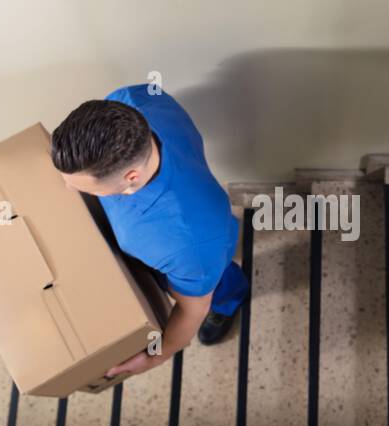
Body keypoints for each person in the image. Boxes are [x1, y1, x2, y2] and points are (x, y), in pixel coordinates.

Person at [51, 85, 247, 378]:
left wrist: (158, 355)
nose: (68, 188)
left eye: (82, 185)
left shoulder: (185, 244)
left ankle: (229, 302)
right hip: (200, 222)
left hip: (203, 252)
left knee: (218, 283)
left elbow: (193, 310)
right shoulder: (128, 100)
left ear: (132, 177)